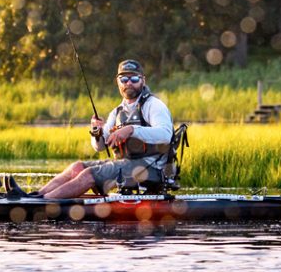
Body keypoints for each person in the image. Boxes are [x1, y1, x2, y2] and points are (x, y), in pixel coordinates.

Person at [26, 59, 174, 199]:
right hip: (126, 164)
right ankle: (35, 195)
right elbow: (100, 147)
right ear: (118, 82)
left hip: (152, 168)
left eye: (134, 79)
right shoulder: (117, 112)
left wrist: (131, 129)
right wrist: (96, 131)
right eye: (124, 79)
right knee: (77, 167)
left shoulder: (153, 105)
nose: (129, 83)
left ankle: (43, 202)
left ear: (143, 80)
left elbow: (166, 135)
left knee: (89, 174)